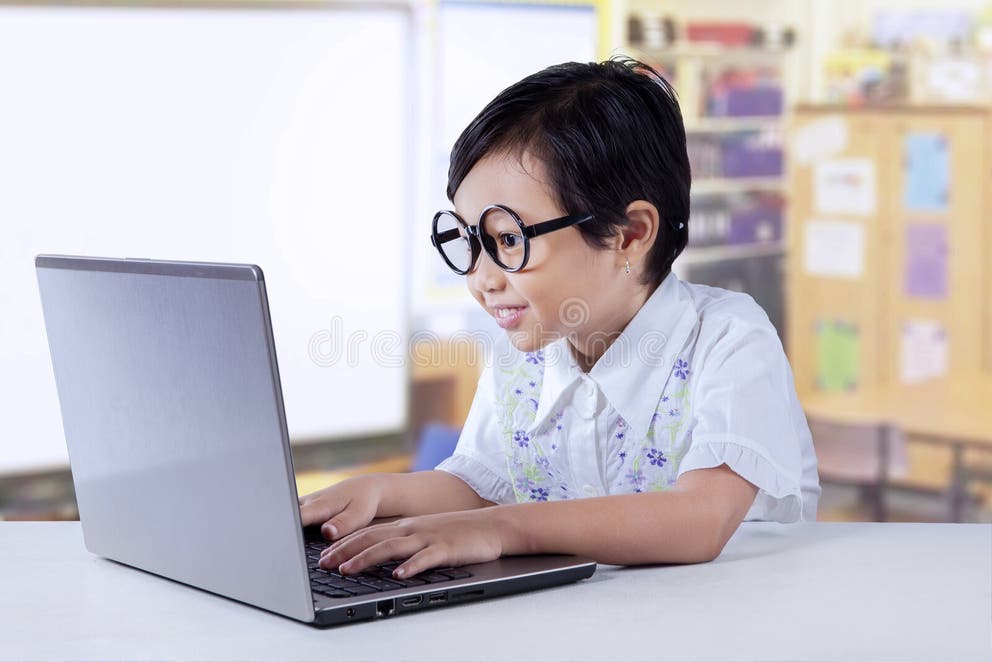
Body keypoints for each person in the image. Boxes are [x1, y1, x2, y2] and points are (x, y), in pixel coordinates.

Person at [300, 56, 820, 579]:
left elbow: (700, 519)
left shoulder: (729, 339)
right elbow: (481, 485)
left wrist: (505, 528)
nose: (481, 278)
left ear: (629, 235)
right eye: (468, 241)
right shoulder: (527, 351)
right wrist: (377, 493)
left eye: (508, 239)